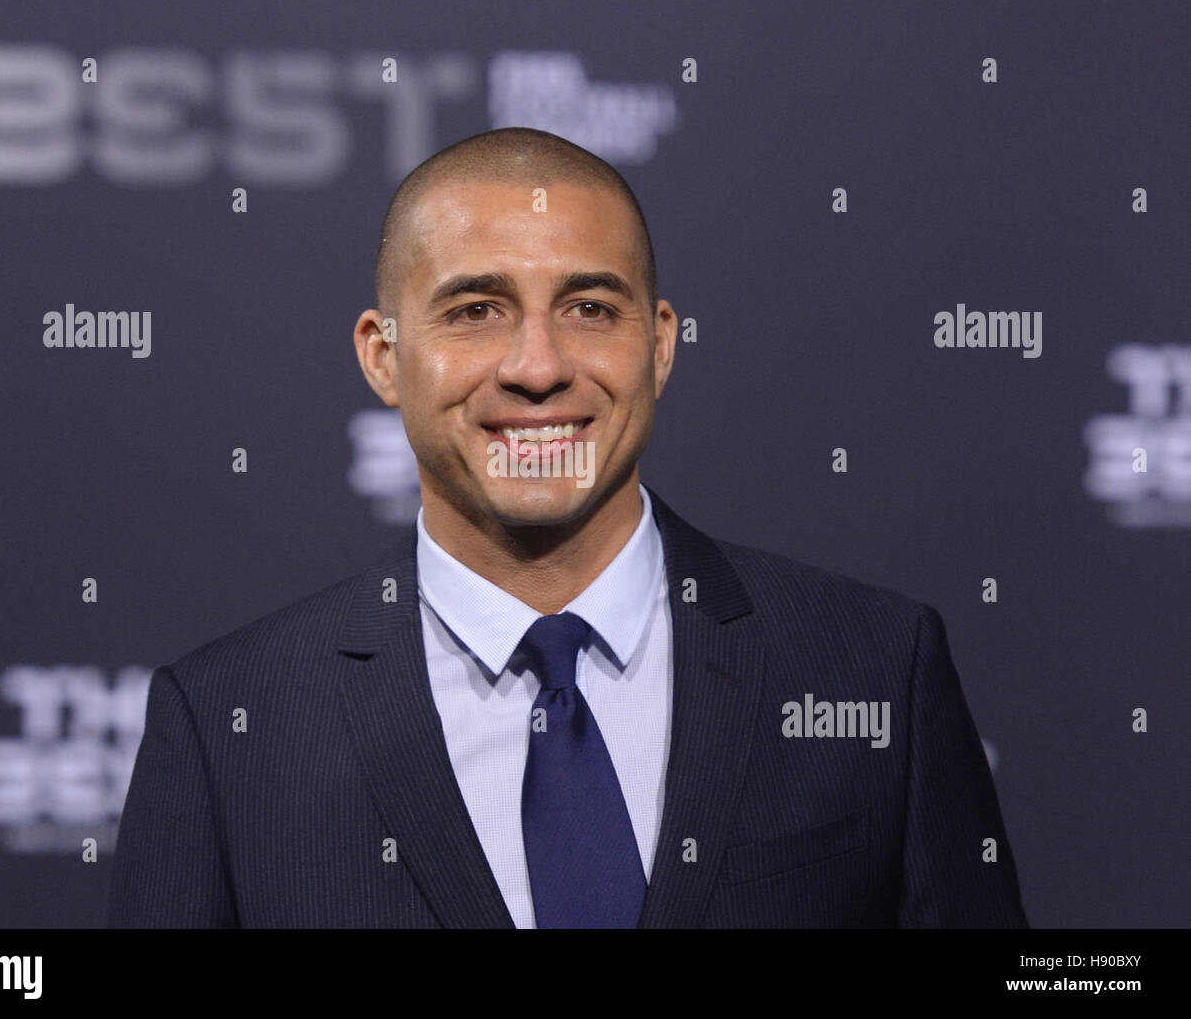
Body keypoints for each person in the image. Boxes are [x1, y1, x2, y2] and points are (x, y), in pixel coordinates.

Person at [108, 126, 1028, 928]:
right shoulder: (231, 728)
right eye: (476, 311)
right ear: (384, 357)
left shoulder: (873, 668)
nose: (538, 368)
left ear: (660, 345)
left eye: (590, 308)